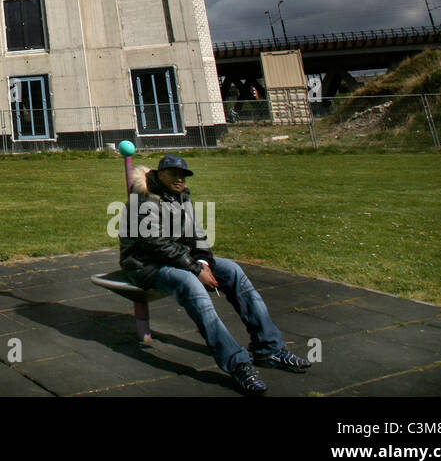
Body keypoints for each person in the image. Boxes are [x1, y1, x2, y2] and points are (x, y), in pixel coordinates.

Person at [118, 153, 312, 396]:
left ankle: (269, 348)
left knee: (231, 269)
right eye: (174, 174)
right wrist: (196, 269)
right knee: (190, 284)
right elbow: (154, 243)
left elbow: (197, 235)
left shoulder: (181, 196)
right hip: (144, 263)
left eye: (184, 175)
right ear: (160, 174)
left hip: (178, 258)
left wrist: (201, 260)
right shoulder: (144, 200)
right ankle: (237, 363)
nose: (180, 179)